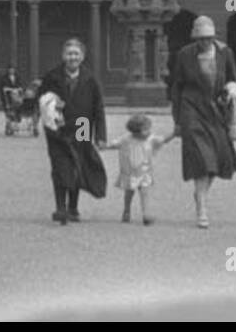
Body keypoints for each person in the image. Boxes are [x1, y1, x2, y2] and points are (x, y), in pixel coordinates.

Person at [168, 16, 236, 229]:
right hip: (192, 109)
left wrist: (230, 93)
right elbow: (177, 87)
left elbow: (233, 79)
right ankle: (202, 207)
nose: (205, 42)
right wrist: (178, 120)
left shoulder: (225, 52)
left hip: (216, 110)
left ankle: (200, 195)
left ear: (213, 37)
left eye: (208, 38)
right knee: (202, 157)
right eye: (200, 38)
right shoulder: (185, 55)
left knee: (219, 157)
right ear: (195, 38)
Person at [38, 38, 108, 225]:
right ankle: (60, 207)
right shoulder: (52, 77)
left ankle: (73, 207)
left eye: (76, 54)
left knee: (78, 164)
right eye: (69, 53)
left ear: (82, 57)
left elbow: (98, 108)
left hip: (83, 125)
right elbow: (42, 100)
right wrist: (49, 112)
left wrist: (100, 135)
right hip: (58, 127)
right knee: (60, 166)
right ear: (63, 56)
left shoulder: (91, 79)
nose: (72, 57)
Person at [101, 114, 175, 225]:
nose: (148, 132)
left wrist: (174, 134)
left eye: (148, 129)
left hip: (144, 172)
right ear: (135, 131)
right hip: (129, 172)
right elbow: (113, 144)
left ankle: (146, 214)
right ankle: (126, 210)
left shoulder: (151, 139)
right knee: (129, 193)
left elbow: (163, 140)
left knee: (144, 193)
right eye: (145, 130)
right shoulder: (126, 139)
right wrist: (103, 146)